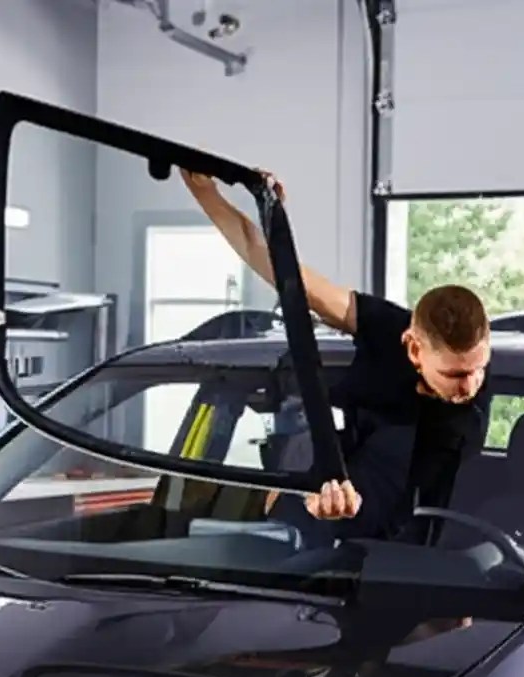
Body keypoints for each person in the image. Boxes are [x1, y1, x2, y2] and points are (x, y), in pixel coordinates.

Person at [180, 169, 493, 546]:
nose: (472, 385)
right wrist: (211, 195)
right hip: (316, 537)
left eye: (480, 368)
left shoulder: (471, 411)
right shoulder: (386, 332)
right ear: (413, 348)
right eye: (456, 374)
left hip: (408, 563)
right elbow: (287, 276)